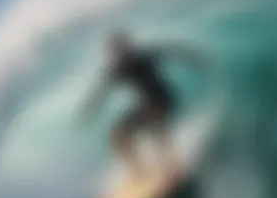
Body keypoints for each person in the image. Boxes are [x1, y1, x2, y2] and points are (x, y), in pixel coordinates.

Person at [81, 30, 207, 180]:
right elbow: (101, 91)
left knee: (155, 122)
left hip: (165, 99)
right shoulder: (117, 70)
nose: (122, 54)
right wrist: (89, 110)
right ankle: (140, 172)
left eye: (124, 49)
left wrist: (195, 58)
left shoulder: (144, 57)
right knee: (117, 135)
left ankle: (173, 164)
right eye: (117, 52)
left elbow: (172, 52)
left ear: (129, 47)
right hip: (146, 106)